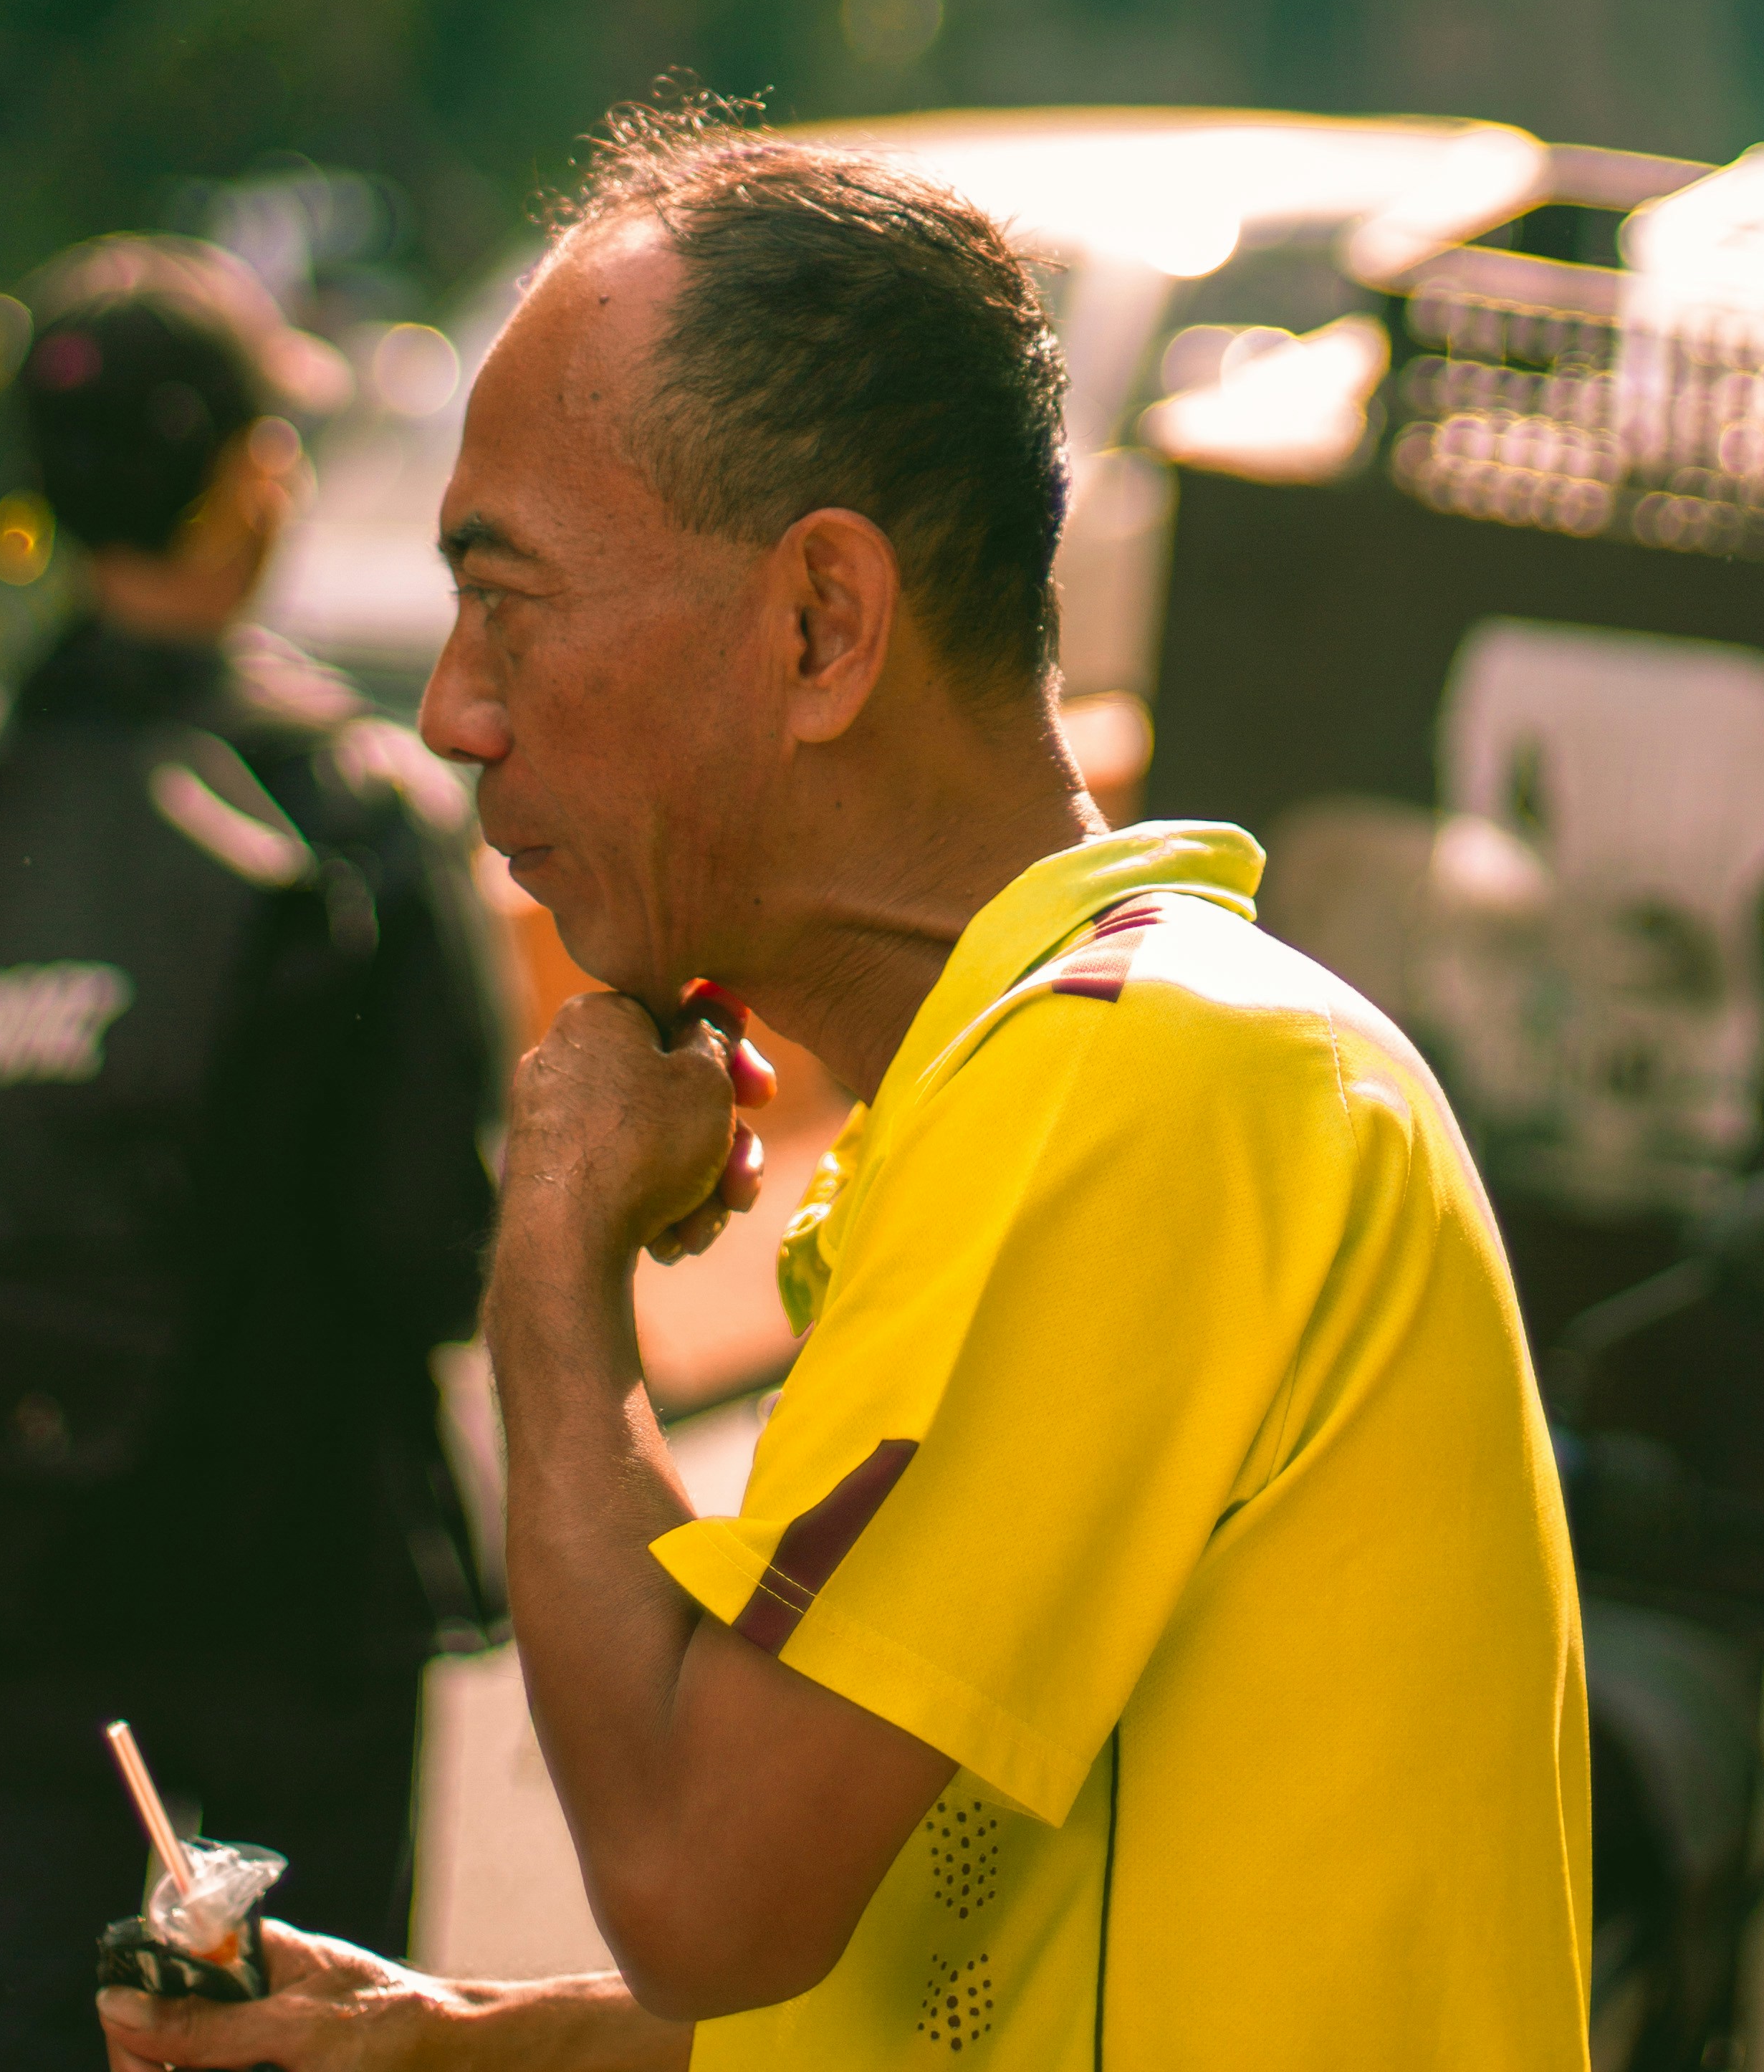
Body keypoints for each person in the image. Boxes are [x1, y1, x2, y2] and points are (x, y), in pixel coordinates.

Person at [101, 115, 1590, 2072]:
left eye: (512, 601)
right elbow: (921, 1997)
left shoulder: (1143, 1085)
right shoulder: (1030, 1102)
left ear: (821, 627)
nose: (454, 712)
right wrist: (440, 2048)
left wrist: (552, 1265)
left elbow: (708, 1888)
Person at [0, 238, 506, 2072]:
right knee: (315, 2038)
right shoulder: (354, 816)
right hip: (293, 1598)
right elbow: (437, 1243)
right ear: (258, 476)